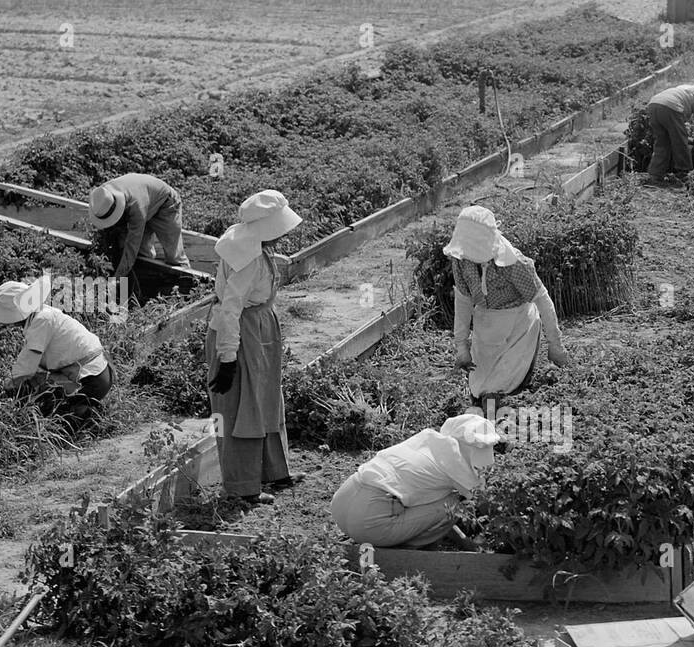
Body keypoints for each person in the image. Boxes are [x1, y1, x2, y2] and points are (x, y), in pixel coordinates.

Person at [206, 190, 304, 507]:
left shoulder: (255, 247)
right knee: (240, 408)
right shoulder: (246, 259)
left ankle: (275, 471)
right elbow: (230, 310)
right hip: (239, 335)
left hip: (259, 330)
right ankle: (242, 486)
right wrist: (228, 357)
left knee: (266, 398)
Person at [446, 206, 570, 414]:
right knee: (479, 387)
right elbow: (463, 302)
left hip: (518, 327)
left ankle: (497, 421)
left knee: (501, 385)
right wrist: (462, 348)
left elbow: (542, 300)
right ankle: (486, 414)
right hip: (486, 327)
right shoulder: (461, 262)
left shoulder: (513, 263)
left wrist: (555, 344)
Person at [330, 414, 502, 549]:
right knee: (456, 504)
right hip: (369, 523)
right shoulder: (456, 462)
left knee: (437, 499)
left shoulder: (426, 441)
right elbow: (484, 504)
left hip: (341, 503)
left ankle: (398, 534)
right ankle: (403, 546)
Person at [0, 278, 113, 432]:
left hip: (91, 378)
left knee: (55, 419)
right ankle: (84, 411)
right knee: (36, 382)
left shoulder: (41, 320)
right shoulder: (42, 314)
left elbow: (26, 366)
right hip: (97, 373)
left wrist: (7, 387)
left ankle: (84, 414)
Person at [88, 173, 193, 279]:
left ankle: (188, 284)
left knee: (174, 256)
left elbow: (132, 244)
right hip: (146, 199)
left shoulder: (136, 206)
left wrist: (118, 277)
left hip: (167, 204)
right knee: (143, 254)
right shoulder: (102, 196)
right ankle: (146, 282)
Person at [644, 78, 694, 185]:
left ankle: (655, 174)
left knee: (662, 143)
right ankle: (684, 173)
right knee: (680, 142)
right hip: (670, 107)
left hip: (653, 105)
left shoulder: (682, 91)